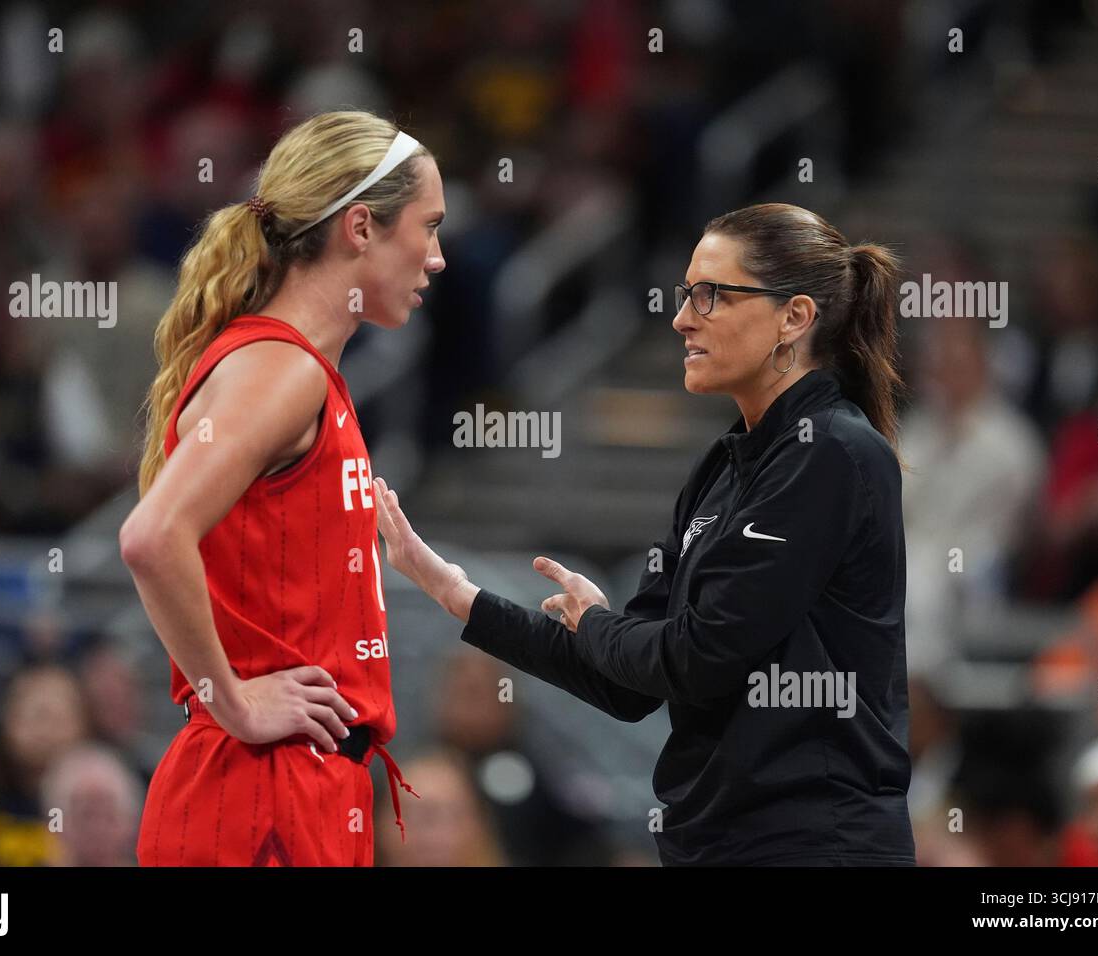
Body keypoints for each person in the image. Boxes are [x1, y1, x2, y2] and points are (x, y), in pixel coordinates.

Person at [375, 203, 916, 865]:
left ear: (794, 317)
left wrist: (598, 622)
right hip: (716, 845)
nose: (682, 317)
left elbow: (696, 657)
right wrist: (456, 594)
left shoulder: (831, 452)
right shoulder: (723, 466)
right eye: (688, 293)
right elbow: (630, 685)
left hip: (811, 846)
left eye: (711, 296)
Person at [121, 110, 446, 866]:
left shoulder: (293, 369)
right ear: (361, 227)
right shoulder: (282, 368)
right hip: (262, 791)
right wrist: (231, 699)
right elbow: (149, 536)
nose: (436, 258)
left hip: (297, 787)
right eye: (428, 228)